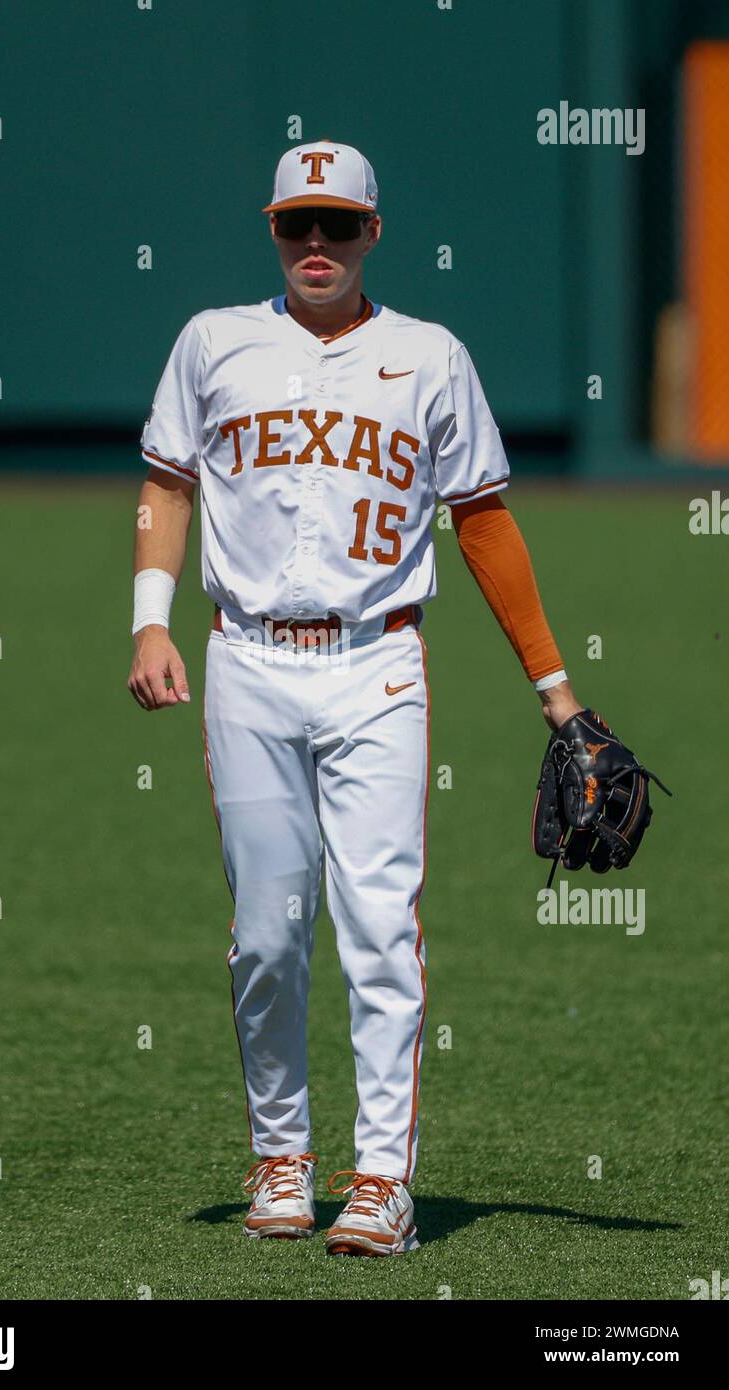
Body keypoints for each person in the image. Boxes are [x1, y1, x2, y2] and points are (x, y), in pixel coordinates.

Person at [127, 140, 583, 1257]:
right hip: (244, 663)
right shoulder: (211, 343)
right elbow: (165, 482)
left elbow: (481, 521)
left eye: (337, 225)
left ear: (374, 232)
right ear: (273, 231)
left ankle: (380, 1179)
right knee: (267, 935)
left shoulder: (429, 356)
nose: (316, 245)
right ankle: (281, 1157)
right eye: (296, 225)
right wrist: (149, 616)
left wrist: (554, 690)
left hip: (377, 665)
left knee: (379, 929)